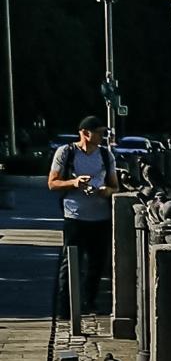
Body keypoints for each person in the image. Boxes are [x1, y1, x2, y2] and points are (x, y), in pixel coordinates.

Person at [48, 116, 119, 315]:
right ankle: (65, 308)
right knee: (70, 263)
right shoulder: (66, 152)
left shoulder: (106, 155)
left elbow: (115, 187)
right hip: (75, 216)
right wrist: (75, 183)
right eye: (99, 132)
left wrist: (106, 190)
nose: (102, 136)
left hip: (101, 217)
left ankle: (90, 304)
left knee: (97, 264)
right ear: (85, 133)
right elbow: (52, 183)